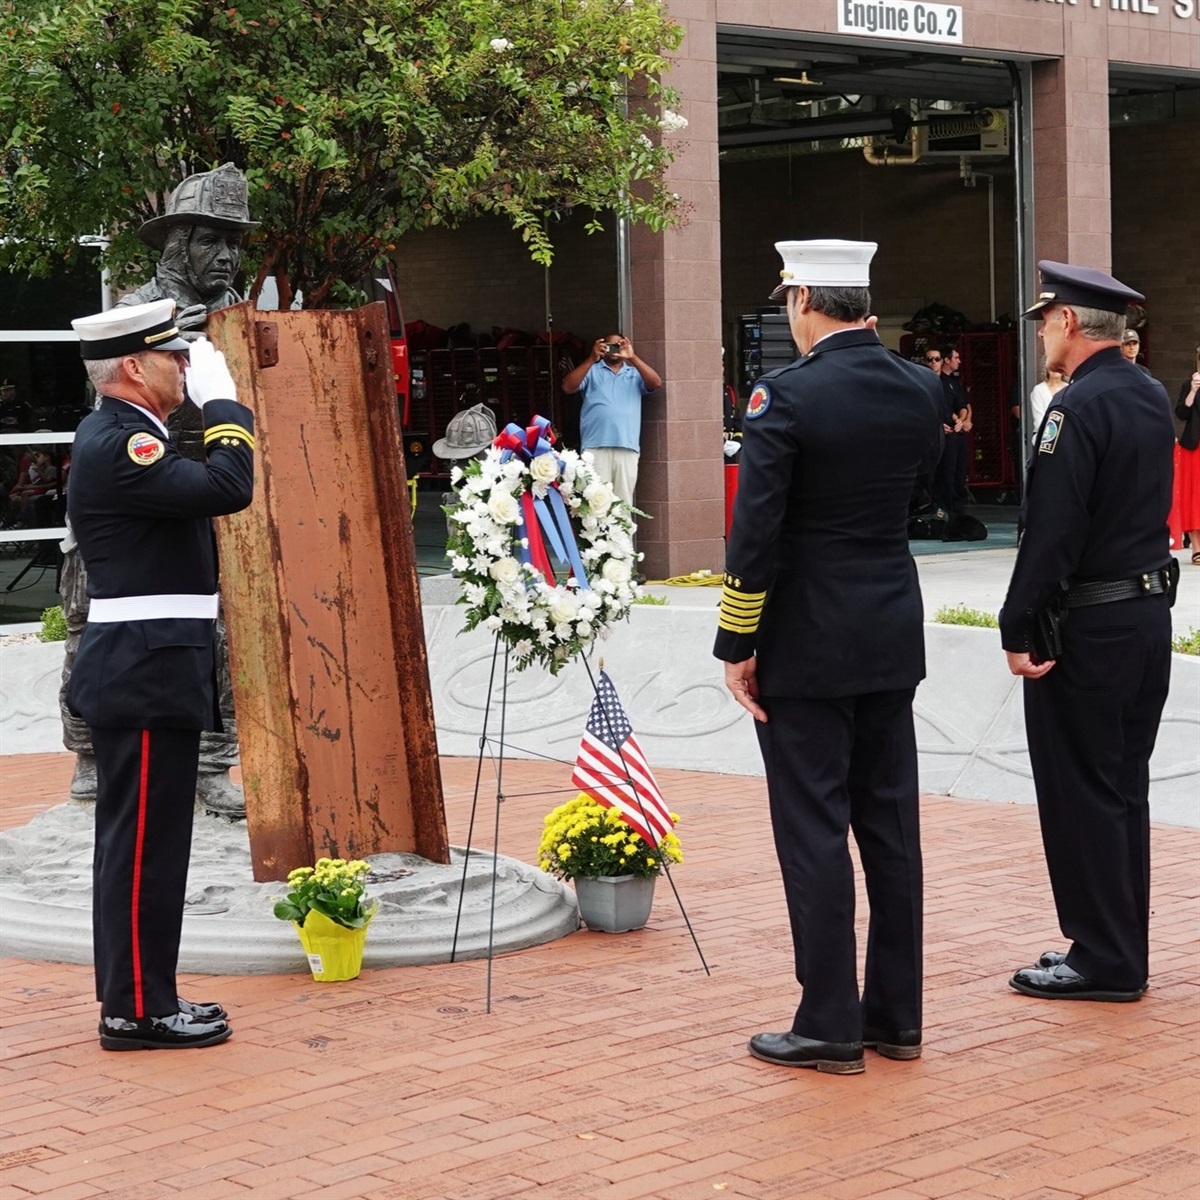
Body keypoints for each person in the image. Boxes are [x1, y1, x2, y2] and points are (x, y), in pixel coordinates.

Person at [714, 239, 943, 1074]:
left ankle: (828, 1023)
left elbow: (756, 532)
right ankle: (896, 1018)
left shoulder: (787, 396)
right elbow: (914, 499)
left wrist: (737, 642)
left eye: (786, 297)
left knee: (814, 830)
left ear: (804, 297)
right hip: (889, 632)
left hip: (807, 640)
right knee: (890, 831)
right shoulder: (923, 387)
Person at [67, 298, 254, 1049]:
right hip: (144, 676)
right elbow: (226, 487)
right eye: (174, 357)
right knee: (144, 849)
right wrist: (228, 406)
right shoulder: (121, 443)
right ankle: (137, 1010)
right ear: (135, 368)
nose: (186, 365)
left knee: (146, 847)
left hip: (149, 671)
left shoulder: (131, 435)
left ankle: (146, 997)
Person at [1000, 260, 1175, 1004]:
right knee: (1120, 786)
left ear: (1070, 322)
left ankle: (1105, 957)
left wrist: (1016, 622)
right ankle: (1113, 940)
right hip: (1142, 615)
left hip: (1091, 626)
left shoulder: (1076, 407)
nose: (1041, 331)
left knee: (1082, 789)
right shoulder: (1146, 392)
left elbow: (1053, 531)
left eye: (1045, 319)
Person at [61, 163, 258, 815]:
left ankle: (209, 764)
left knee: (215, 633)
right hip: (129, 496)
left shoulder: (238, 316)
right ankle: (91, 758)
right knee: (93, 619)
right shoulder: (136, 312)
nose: (227, 255)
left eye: (235, 242)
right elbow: (115, 400)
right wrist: (182, 336)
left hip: (202, 493)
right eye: (212, 240)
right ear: (180, 244)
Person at [561, 332, 662, 507]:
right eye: (610, 345)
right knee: (595, 502)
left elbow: (656, 383)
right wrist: (591, 359)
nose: (615, 349)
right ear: (602, 347)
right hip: (594, 447)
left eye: (619, 345)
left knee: (623, 503)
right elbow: (568, 387)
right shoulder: (591, 370)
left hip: (626, 446)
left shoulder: (634, 373)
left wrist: (633, 357)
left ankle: (622, 536)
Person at [1168, 347, 1200, 563]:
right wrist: (1193, 391)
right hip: (1194, 445)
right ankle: (1197, 548)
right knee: (1193, 496)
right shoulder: (1189, 384)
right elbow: (1181, 413)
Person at [932, 342, 971, 516]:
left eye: (936, 359)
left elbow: (962, 405)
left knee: (956, 470)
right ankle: (941, 508)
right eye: (929, 359)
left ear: (942, 361)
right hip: (934, 434)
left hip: (952, 434)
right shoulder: (926, 382)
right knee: (939, 472)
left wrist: (961, 421)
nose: (933, 362)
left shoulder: (951, 383)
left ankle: (956, 507)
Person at [1028, 360, 1068, 442]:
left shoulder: (1069, 388)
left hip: (1067, 438)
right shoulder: (1039, 390)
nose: (1056, 369)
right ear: (1046, 368)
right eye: (1053, 366)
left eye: (1059, 366)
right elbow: (1039, 421)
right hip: (1045, 439)